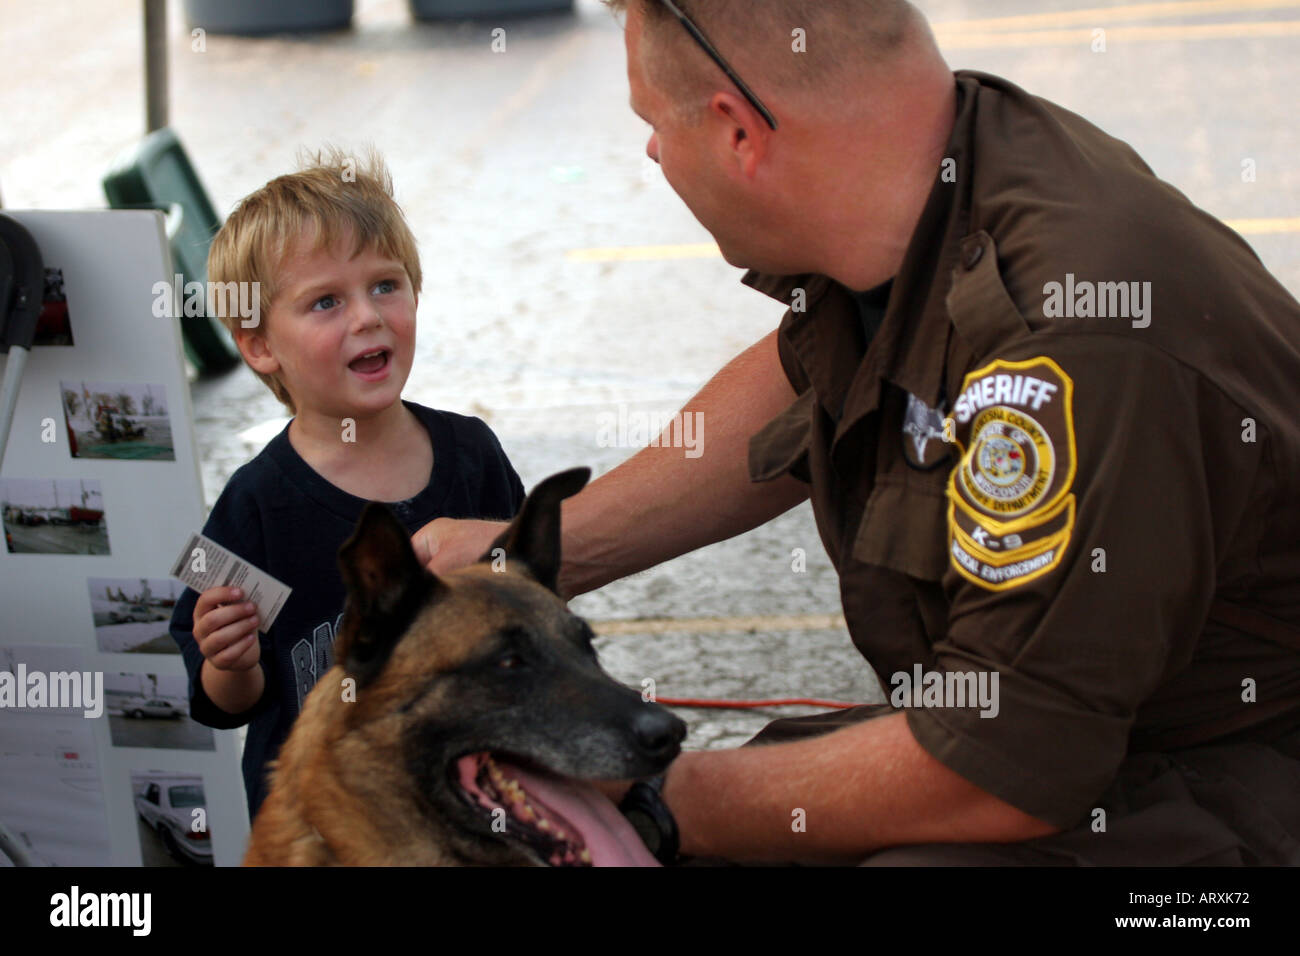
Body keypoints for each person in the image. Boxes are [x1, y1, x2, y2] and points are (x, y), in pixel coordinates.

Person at [414, 0, 1300, 865]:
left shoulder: (1064, 341)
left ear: (737, 130)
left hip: (1235, 771)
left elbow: (1000, 772)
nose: (651, 150)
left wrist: (649, 803)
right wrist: (529, 554)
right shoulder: (925, 167)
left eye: (653, 122)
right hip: (1101, 742)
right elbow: (805, 376)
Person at [170, 149, 526, 820]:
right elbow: (222, 702)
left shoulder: (472, 453)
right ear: (259, 346)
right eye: (326, 301)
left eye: (386, 285)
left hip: (474, 807)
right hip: (324, 827)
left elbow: (535, 605)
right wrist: (230, 662)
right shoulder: (253, 503)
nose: (366, 317)